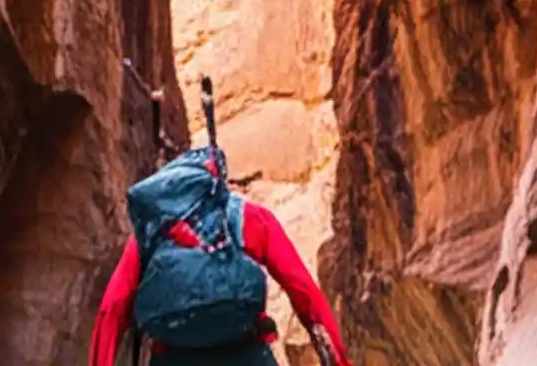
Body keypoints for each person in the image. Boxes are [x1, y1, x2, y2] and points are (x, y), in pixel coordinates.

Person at [89, 155, 353, 366]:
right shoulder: (249, 217)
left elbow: (111, 309)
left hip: (173, 357)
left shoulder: (153, 233)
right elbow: (303, 291)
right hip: (246, 352)